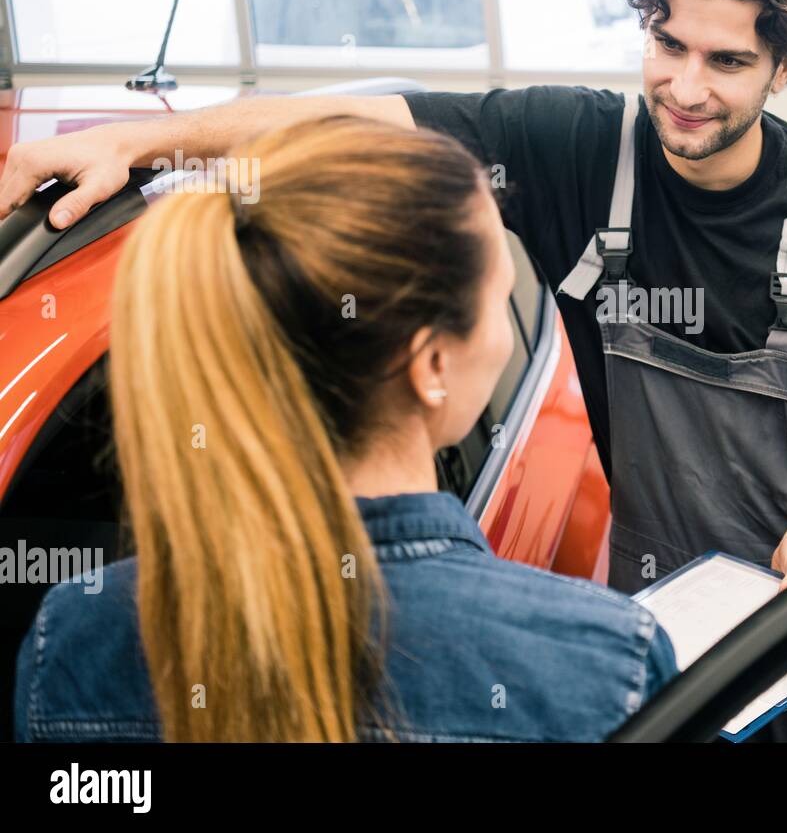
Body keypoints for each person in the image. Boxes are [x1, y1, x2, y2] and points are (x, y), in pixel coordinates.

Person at [1, 0, 787, 742]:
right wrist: (136, 137)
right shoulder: (575, 147)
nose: (688, 88)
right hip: (664, 602)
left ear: (785, 69)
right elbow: (343, 123)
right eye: (669, 46)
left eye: (729, 61)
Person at [11, 116, 676, 742]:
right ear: (433, 365)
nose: (514, 329)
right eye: (500, 294)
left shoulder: (68, 643)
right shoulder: (605, 665)